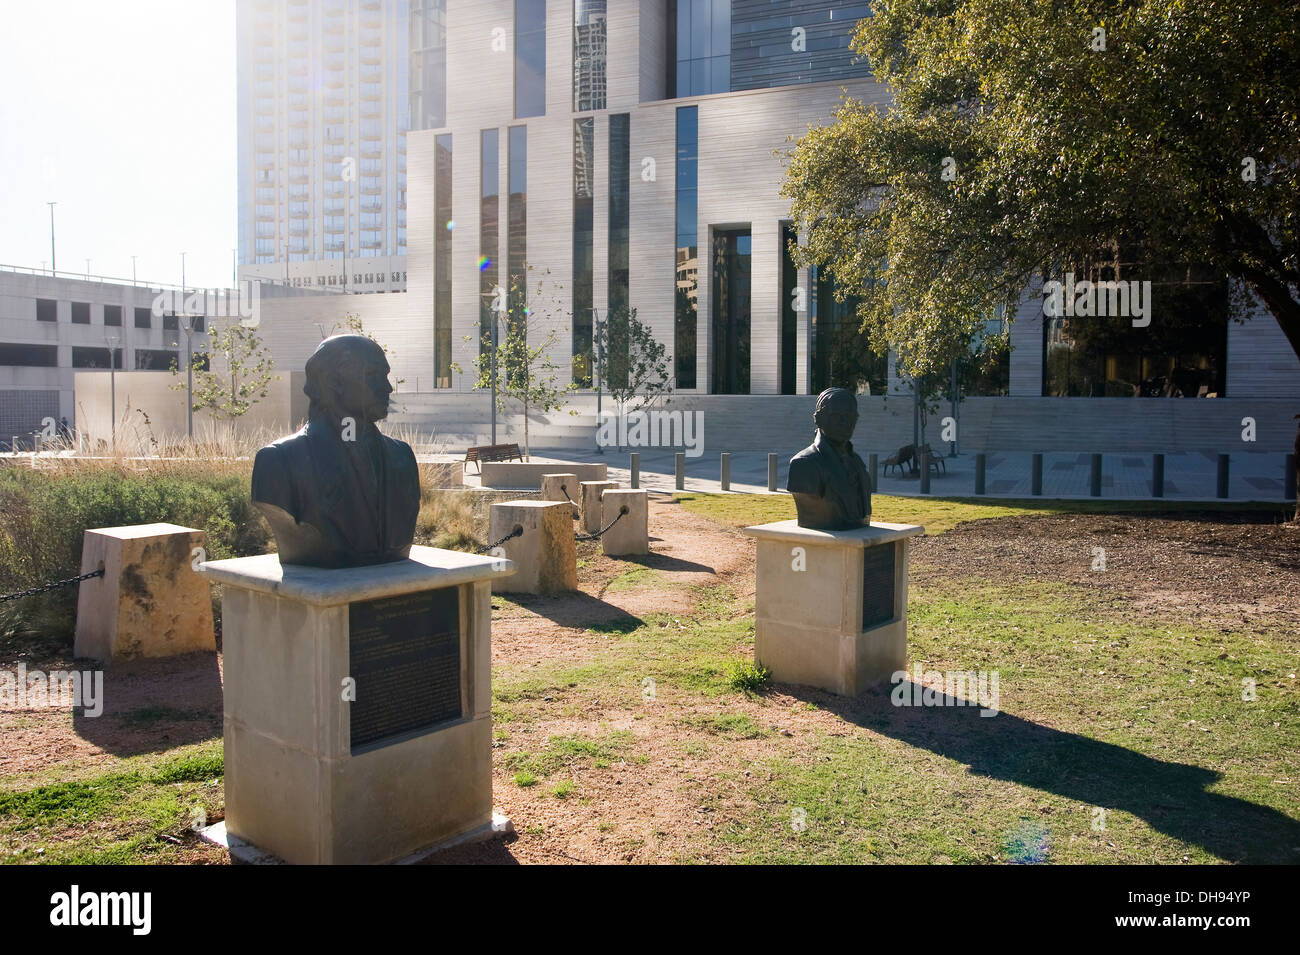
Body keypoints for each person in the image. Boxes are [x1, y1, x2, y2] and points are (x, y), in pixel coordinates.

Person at [251, 334, 419, 567]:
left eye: (386, 375)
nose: (387, 387)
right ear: (333, 382)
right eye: (373, 375)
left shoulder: (402, 457)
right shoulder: (279, 461)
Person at [787, 387, 873, 530]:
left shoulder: (856, 462)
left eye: (849, 416)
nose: (844, 422)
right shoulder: (804, 464)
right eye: (836, 415)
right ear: (818, 418)